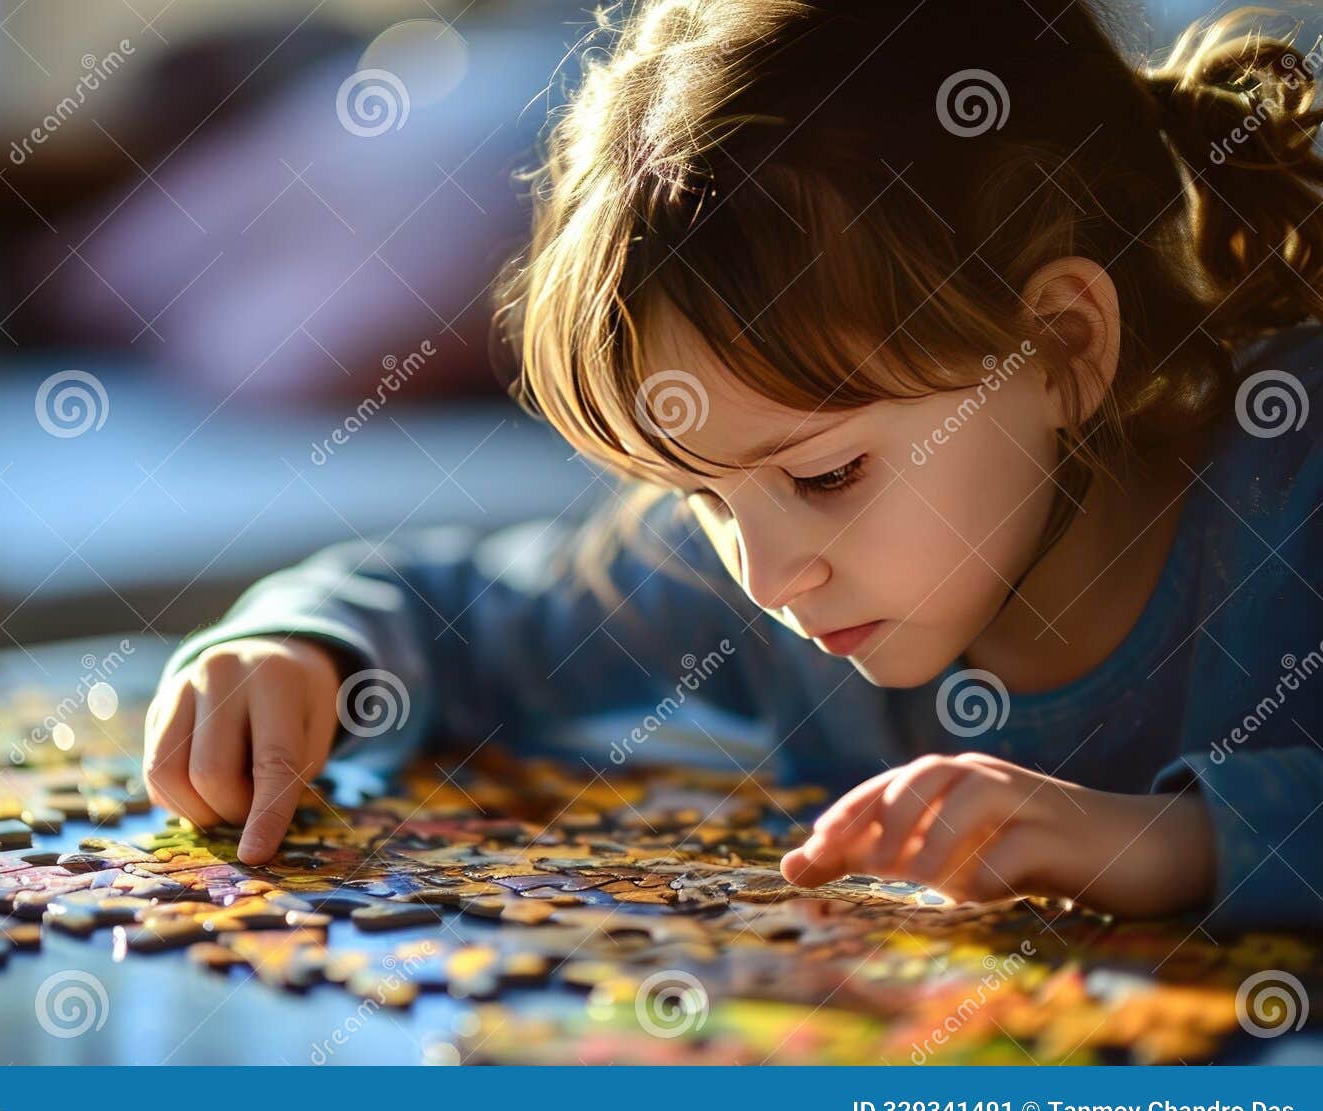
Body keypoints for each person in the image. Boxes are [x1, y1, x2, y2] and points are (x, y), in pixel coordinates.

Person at [143, 1, 1323, 930]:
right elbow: (456, 610)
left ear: (1062, 345)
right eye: (699, 492)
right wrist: (292, 647)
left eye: (822, 476)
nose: (765, 574)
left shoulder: (1296, 477)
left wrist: (1167, 840)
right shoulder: (745, 585)